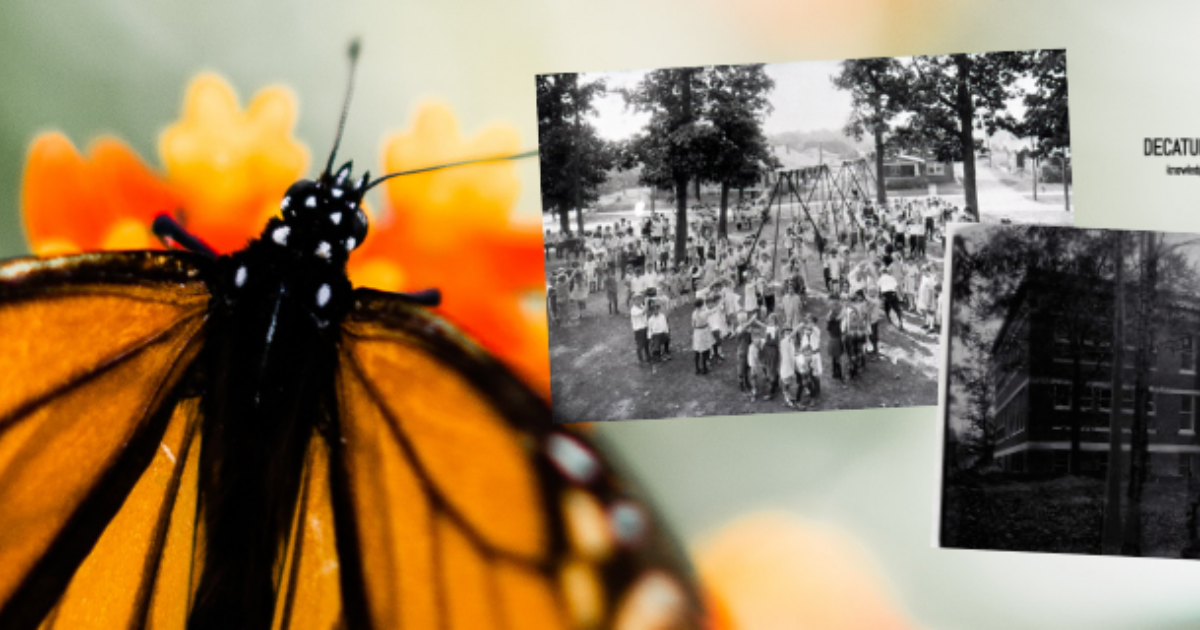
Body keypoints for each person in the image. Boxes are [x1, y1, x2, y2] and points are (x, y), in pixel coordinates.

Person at [691, 297, 714, 375]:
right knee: (705, 350)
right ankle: (704, 368)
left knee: (697, 351)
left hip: (697, 332)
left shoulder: (694, 313)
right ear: (701, 305)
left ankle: (697, 368)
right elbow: (712, 311)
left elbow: (693, 324)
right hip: (703, 331)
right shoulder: (703, 313)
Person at [826, 293, 846, 382]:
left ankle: (835, 373)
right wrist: (844, 305)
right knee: (837, 358)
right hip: (836, 339)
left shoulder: (831, 318)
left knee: (835, 358)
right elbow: (841, 315)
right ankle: (839, 374)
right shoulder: (834, 318)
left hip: (833, 338)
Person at [630, 294, 650, 363]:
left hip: (644, 327)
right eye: (636, 300)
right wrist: (646, 302)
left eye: (640, 299)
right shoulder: (633, 309)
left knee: (646, 343)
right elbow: (643, 312)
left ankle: (648, 356)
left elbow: (646, 311)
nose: (639, 301)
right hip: (638, 329)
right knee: (640, 344)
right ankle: (640, 358)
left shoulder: (641, 306)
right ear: (633, 301)